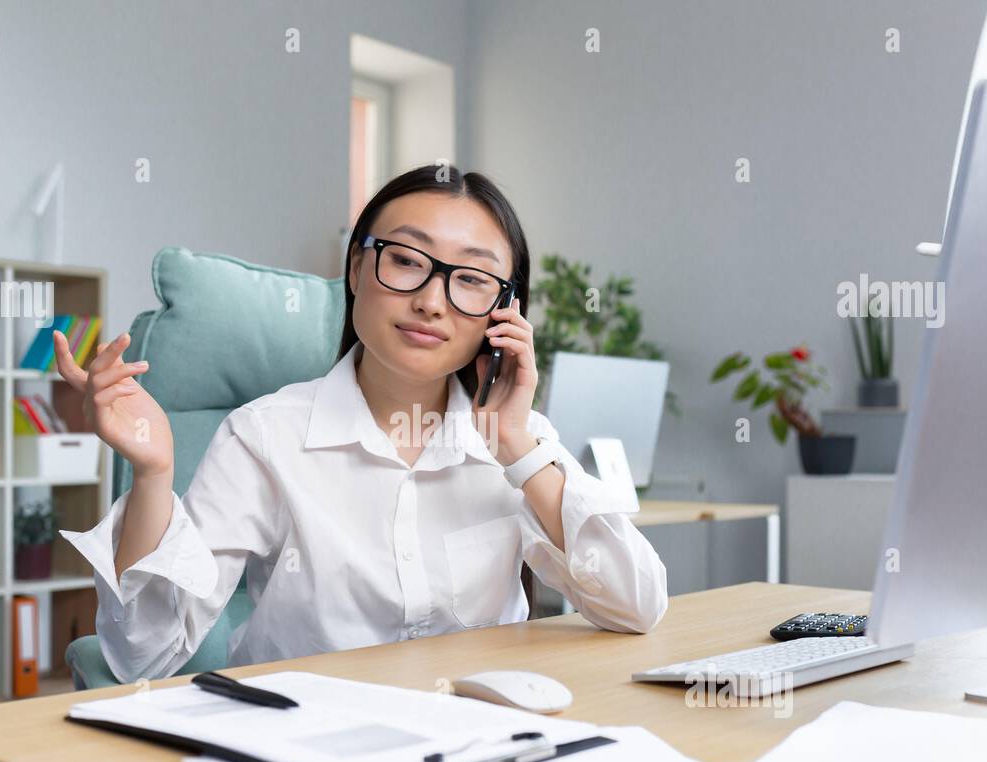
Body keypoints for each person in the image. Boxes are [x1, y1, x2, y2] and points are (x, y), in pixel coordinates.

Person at [57, 165, 667, 683]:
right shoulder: (265, 437)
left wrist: (520, 451)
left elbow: (636, 605)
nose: (432, 300)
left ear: (503, 313)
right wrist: (154, 473)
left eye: (473, 280)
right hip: (307, 753)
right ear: (356, 270)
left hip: (478, 746)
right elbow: (143, 655)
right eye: (405, 261)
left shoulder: (519, 439)